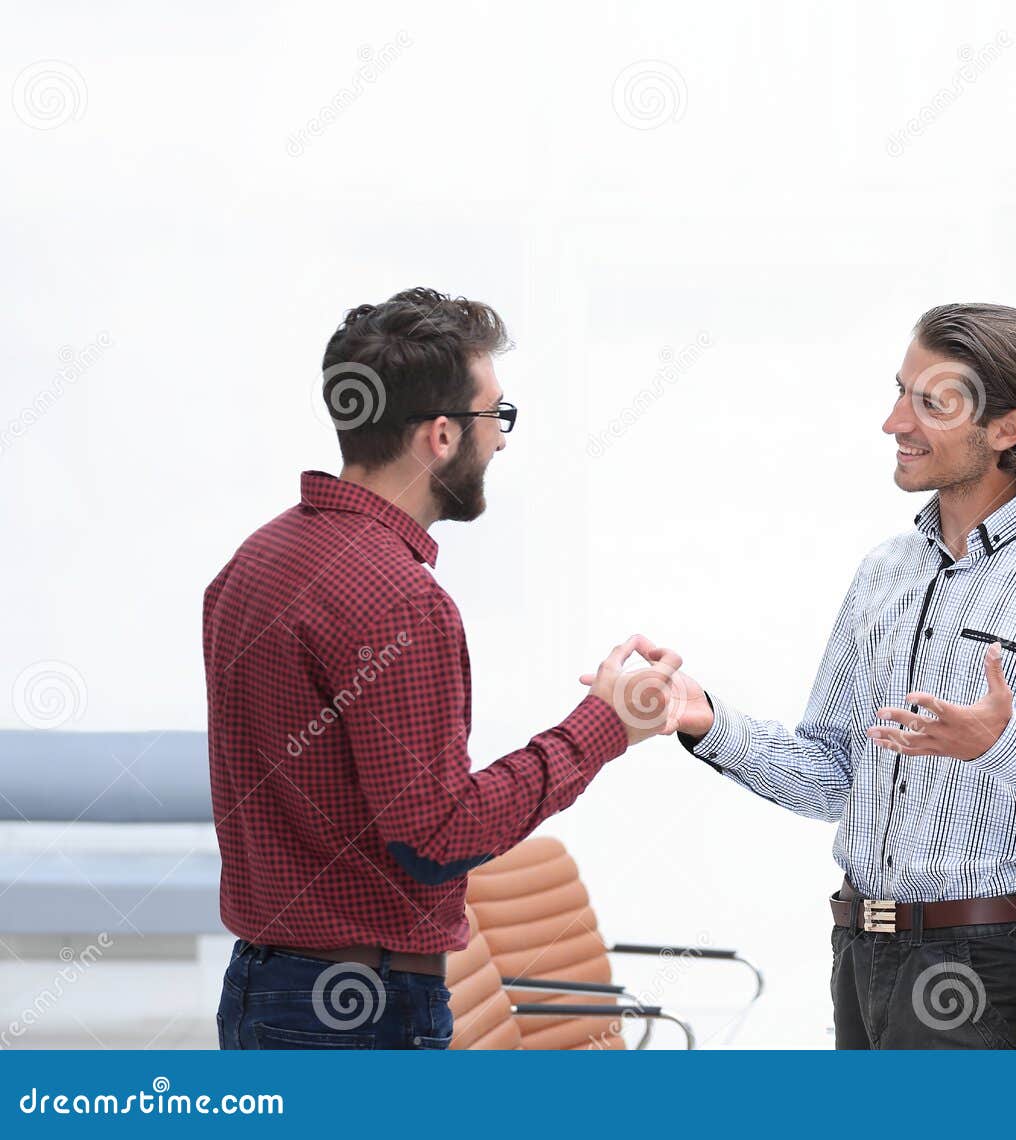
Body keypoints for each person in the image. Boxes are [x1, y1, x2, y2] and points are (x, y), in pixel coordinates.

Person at [663, 303, 1016, 1049]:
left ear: (1007, 429)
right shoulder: (885, 572)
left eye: (930, 404)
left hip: (989, 965)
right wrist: (709, 722)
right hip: (858, 953)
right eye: (900, 391)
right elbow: (834, 775)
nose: (894, 422)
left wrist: (1004, 747)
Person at [204, 288, 681, 1050]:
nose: (501, 440)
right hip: (359, 1017)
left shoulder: (253, 562)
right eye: (497, 417)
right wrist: (607, 726)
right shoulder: (400, 600)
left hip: (264, 992)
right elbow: (437, 838)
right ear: (439, 436)